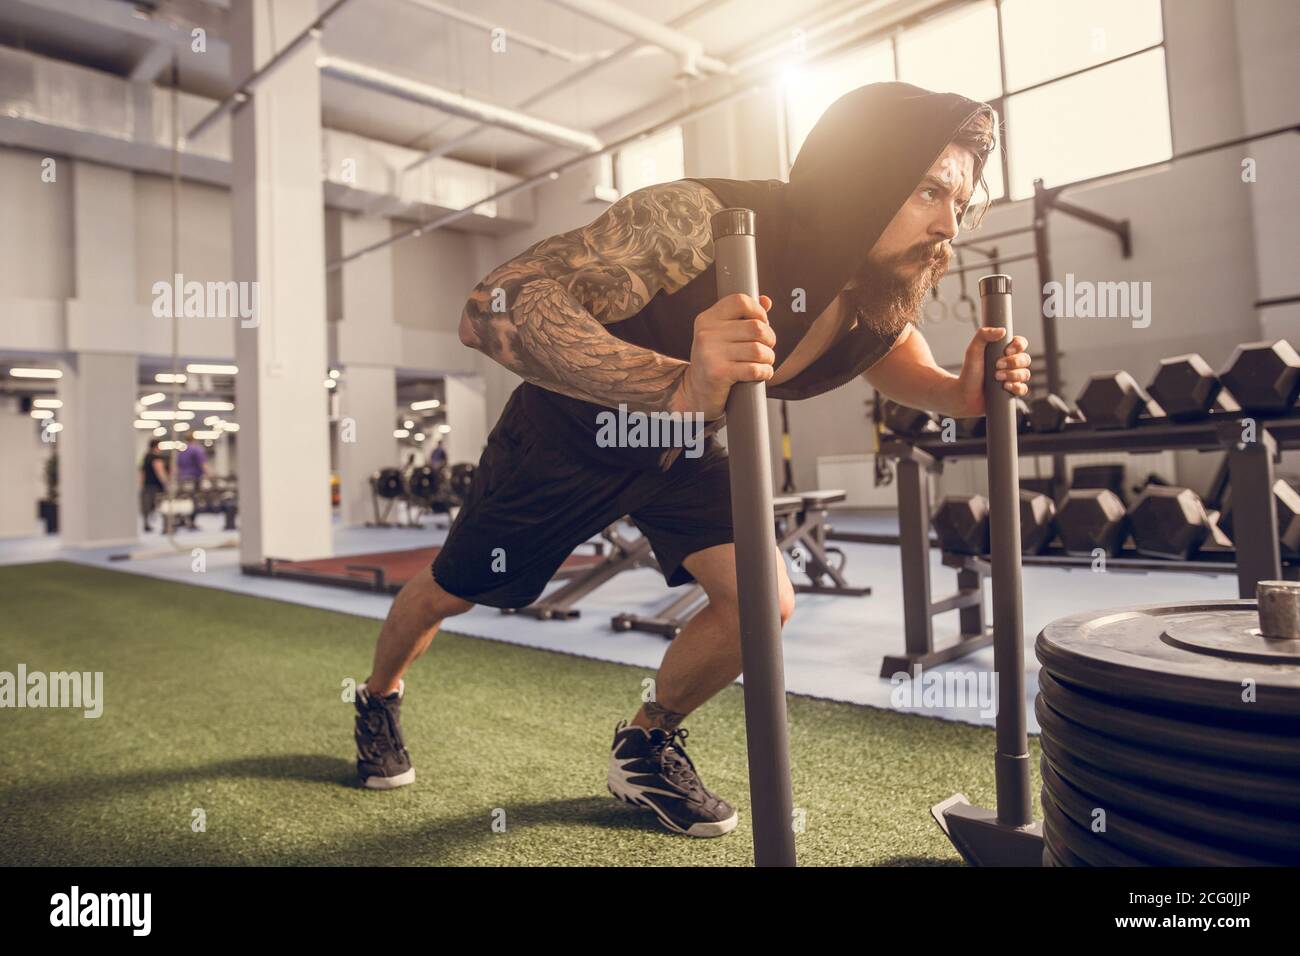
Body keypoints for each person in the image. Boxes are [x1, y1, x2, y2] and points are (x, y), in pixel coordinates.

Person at [352, 83, 1033, 838]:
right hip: (568, 436)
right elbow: (492, 307)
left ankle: (645, 743)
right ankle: (378, 696)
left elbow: (885, 340)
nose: (948, 224)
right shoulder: (697, 219)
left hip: (682, 444)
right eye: (931, 190)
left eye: (960, 203)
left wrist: (954, 393)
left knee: (760, 602)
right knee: (452, 589)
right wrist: (674, 381)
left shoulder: (878, 283)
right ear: (865, 175)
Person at [140, 438, 168, 533]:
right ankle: (166, 526)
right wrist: (166, 482)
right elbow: (160, 471)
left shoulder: (146, 457)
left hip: (147, 485)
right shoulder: (156, 458)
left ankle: (146, 524)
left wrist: (142, 484)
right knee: (161, 505)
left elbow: (142, 472)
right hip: (156, 485)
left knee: (147, 506)